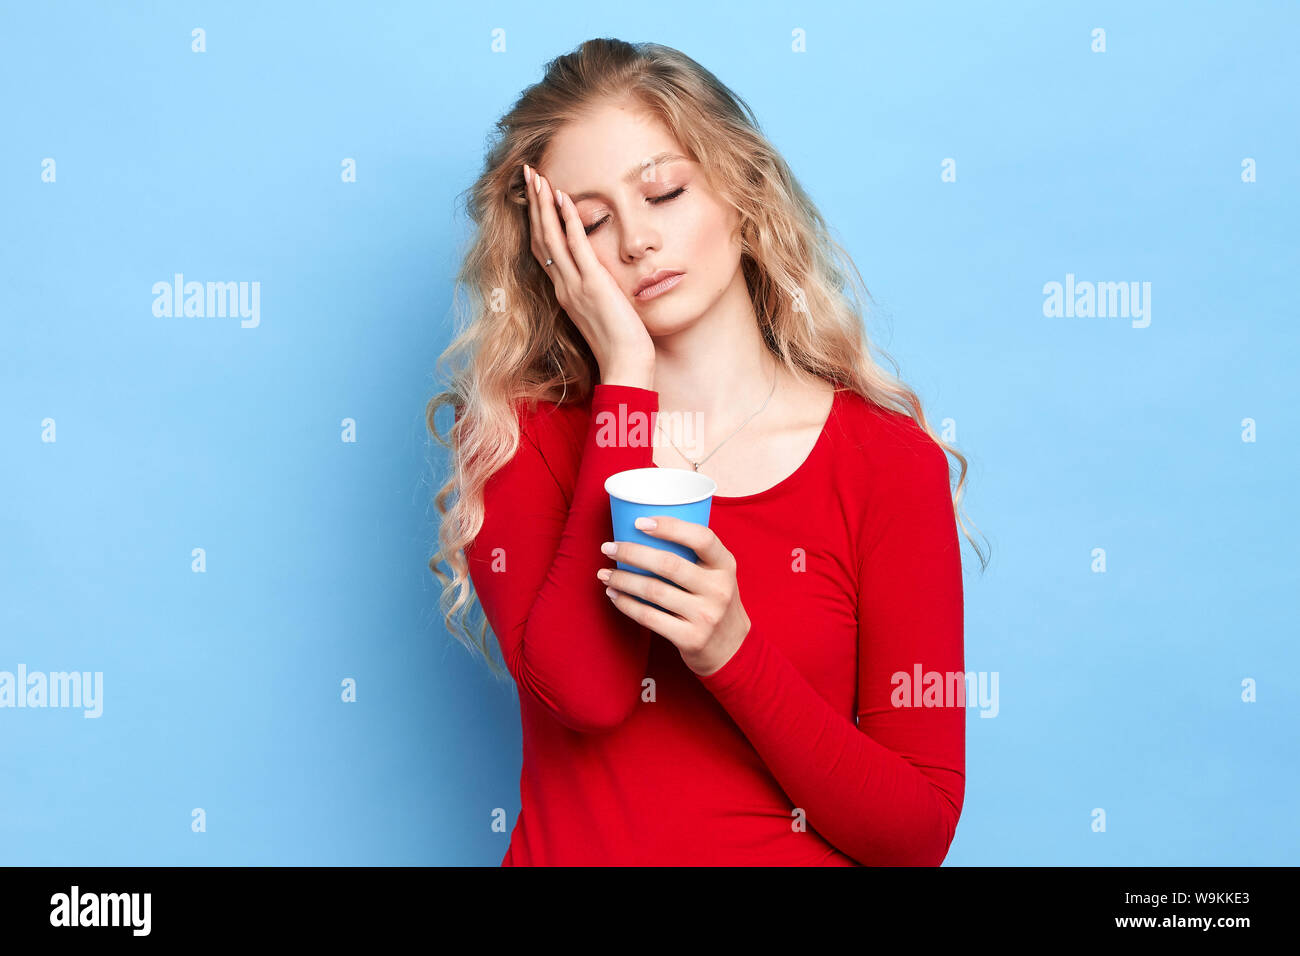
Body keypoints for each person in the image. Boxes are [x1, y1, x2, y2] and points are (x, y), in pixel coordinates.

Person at [427, 38, 989, 865]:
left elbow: (916, 833)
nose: (637, 243)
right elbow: (589, 695)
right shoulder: (522, 436)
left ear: (742, 189)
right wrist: (626, 375)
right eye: (590, 223)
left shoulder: (886, 460)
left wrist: (729, 648)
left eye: (662, 192)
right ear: (554, 258)